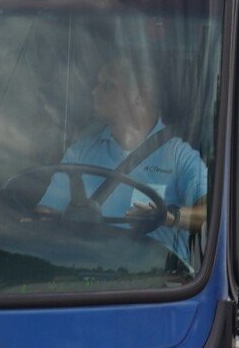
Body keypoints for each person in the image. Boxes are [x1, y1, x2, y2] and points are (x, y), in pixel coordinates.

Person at [39, 56, 207, 267]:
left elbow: (210, 215)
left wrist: (168, 216)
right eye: (97, 85)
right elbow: (45, 215)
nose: (94, 92)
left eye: (108, 86)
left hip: (152, 287)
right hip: (77, 279)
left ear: (140, 95)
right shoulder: (80, 152)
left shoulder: (178, 156)